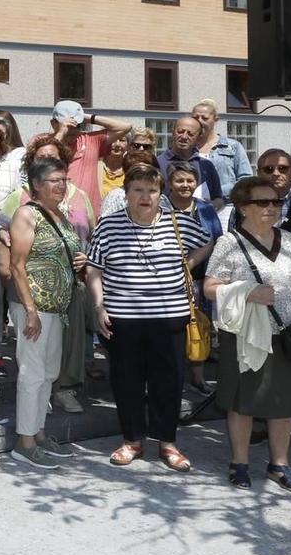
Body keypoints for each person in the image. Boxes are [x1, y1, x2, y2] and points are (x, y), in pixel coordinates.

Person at [87, 162, 208, 471]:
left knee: (168, 383)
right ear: (126, 193)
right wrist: (99, 305)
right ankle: (132, 441)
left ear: (160, 194)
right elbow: (94, 267)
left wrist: (187, 266)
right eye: (138, 190)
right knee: (127, 382)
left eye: (151, 190)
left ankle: (167, 443)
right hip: (122, 319)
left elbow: (208, 243)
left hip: (170, 318)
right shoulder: (109, 225)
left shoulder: (179, 222)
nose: (145, 196)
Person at [206, 176, 291, 491]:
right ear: (242, 207)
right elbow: (210, 287)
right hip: (245, 335)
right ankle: (239, 462)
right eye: (262, 202)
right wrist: (248, 291)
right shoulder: (230, 243)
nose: (271, 208)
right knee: (242, 401)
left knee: (284, 404)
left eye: (276, 202)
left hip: (288, 334)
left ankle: (279, 465)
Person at [7, 158, 83, 469]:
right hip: (35, 308)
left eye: (64, 180)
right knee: (32, 374)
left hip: (57, 309)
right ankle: (24, 442)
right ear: (37, 185)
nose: (62, 185)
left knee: (49, 374)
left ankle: (37, 434)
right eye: (54, 180)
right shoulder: (27, 214)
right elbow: (16, 265)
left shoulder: (60, 216)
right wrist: (30, 309)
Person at [192, 99, 254, 199]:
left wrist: (217, 192)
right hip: (193, 207)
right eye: (195, 117)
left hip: (226, 207)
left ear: (215, 120)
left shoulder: (233, 147)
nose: (199, 121)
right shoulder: (187, 149)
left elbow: (246, 180)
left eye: (204, 118)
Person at [162, 117, 225, 204]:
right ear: (172, 132)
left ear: (198, 137)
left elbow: (218, 198)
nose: (184, 137)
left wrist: (208, 209)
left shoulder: (206, 166)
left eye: (190, 134)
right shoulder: (157, 164)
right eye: (180, 131)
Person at [251, 149, 291, 229]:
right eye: (269, 169)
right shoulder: (246, 206)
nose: (276, 173)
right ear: (259, 174)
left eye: (282, 168)